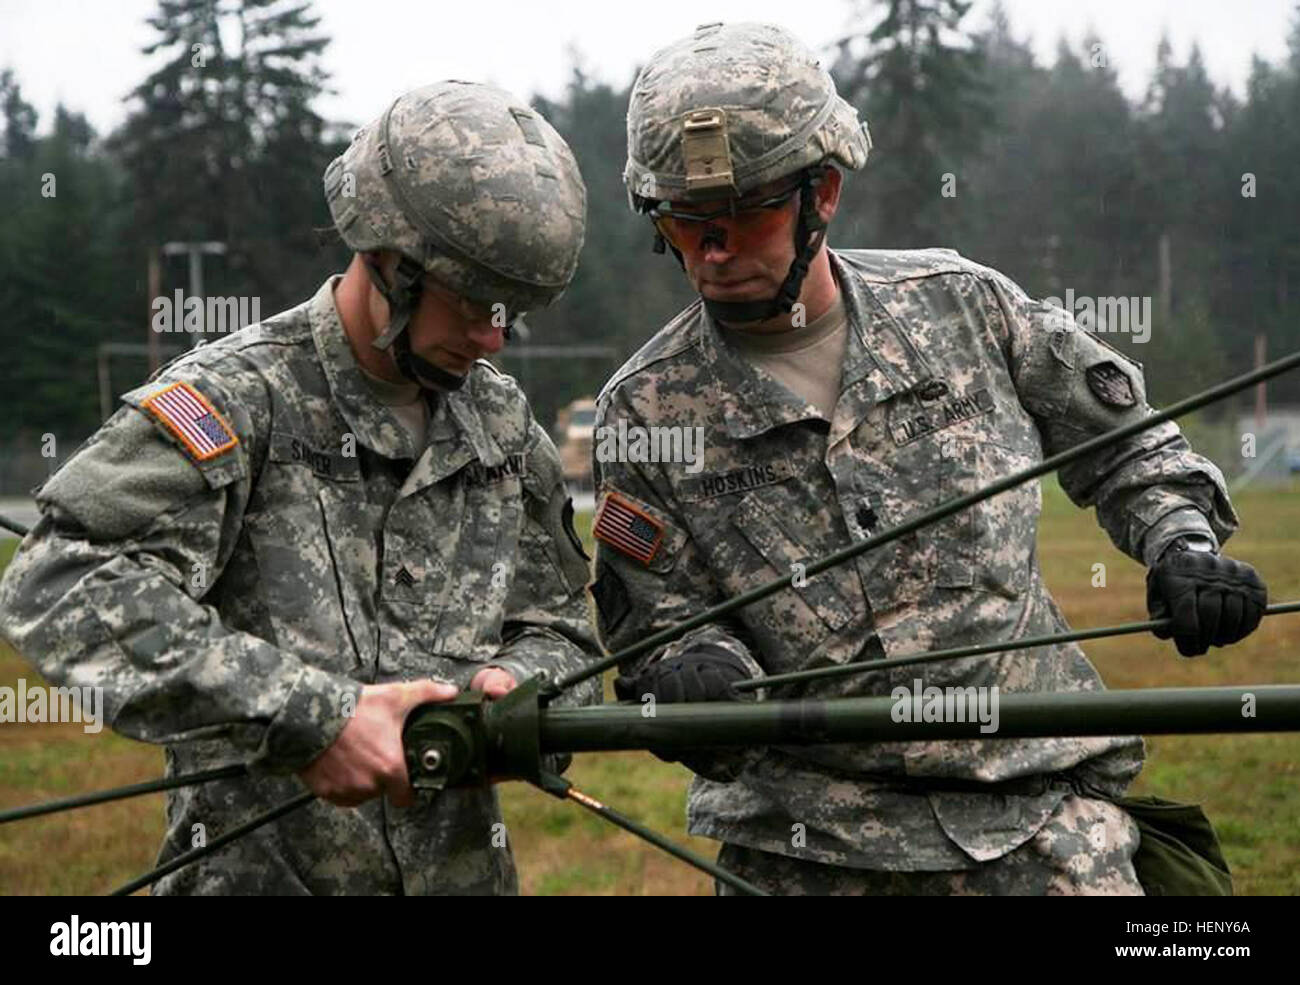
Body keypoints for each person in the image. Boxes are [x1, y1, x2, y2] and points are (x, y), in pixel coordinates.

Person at [593, 22, 1267, 896]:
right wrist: (694, 674)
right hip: (809, 852)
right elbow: (656, 623)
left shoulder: (965, 309)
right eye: (684, 221)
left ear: (822, 192)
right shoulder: (643, 409)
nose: (712, 248)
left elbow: (1126, 444)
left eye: (743, 211)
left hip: (1037, 824)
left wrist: (1182, 545)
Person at [0, 81, 601, 895]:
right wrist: (308, 714)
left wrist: (523, 688)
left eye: (514, 309)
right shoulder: (237, 401)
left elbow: (561, 631)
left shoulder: (499, 425)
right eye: (471, 298)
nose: (493, 334)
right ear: (388, 255)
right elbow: (59, 583)